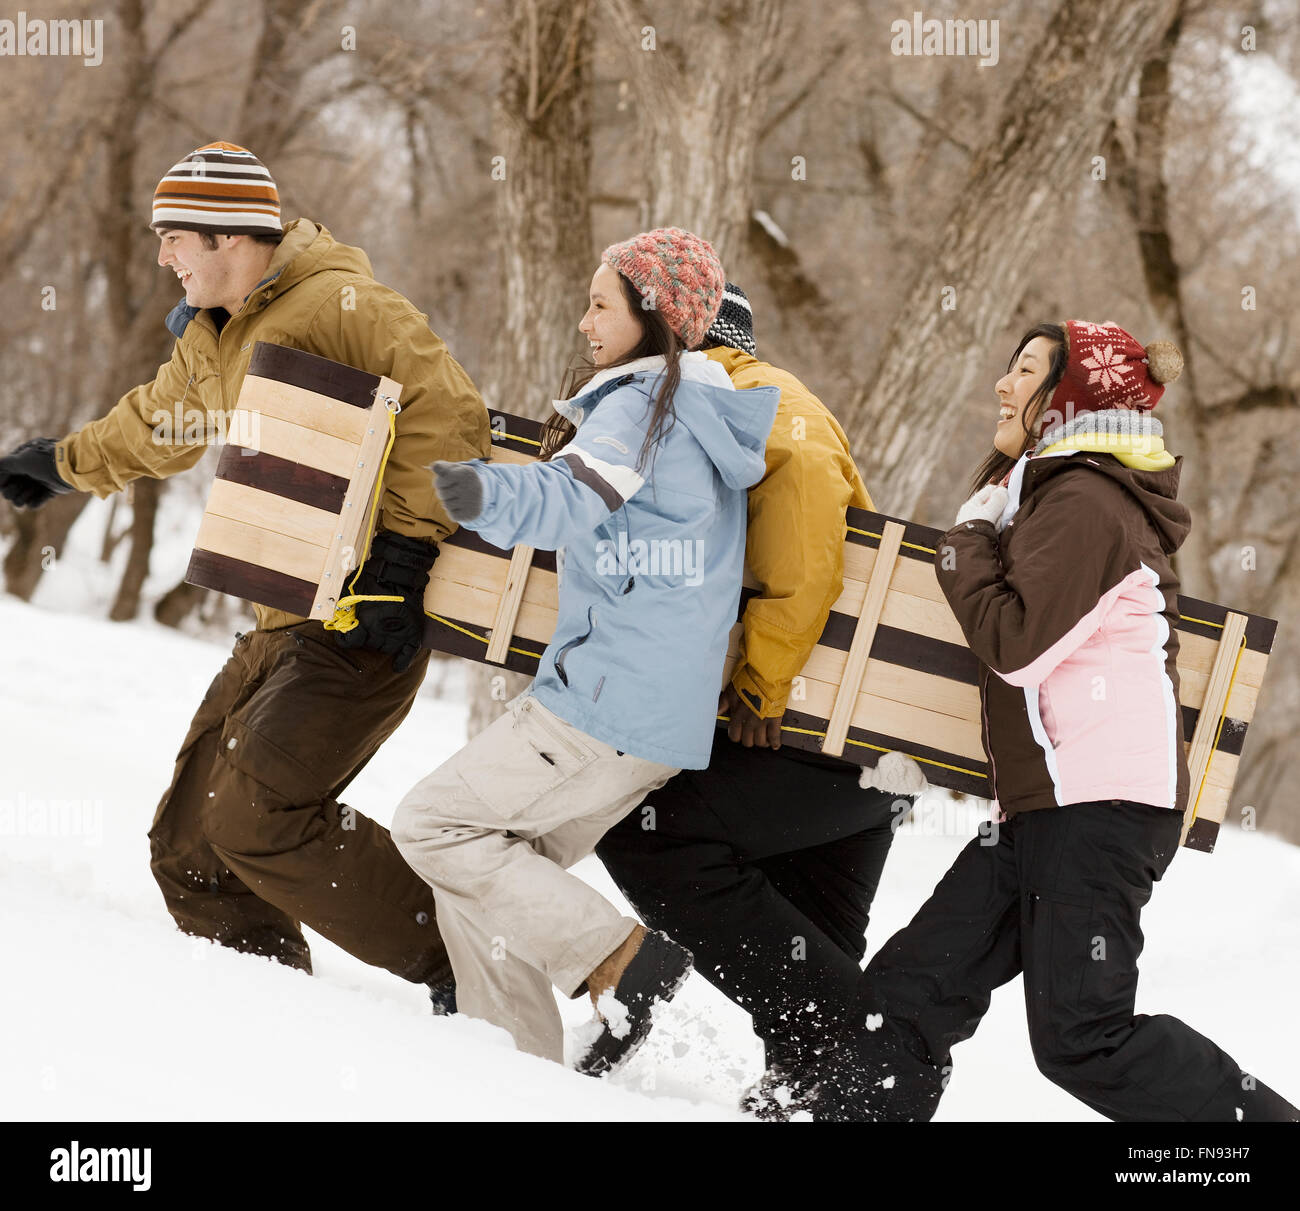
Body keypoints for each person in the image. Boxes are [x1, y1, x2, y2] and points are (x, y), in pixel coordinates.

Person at [0, 142, 491, 1006]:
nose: (161, 257)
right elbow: (161, 423)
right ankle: (275, 1025)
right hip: (280, 618)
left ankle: (473, 964)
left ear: (228, 234)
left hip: (360, 623)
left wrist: (404, 554)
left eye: (172, 236)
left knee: (254, 819)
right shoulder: (217, 334)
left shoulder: (341, 303)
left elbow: (452, 415)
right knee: (190, 851)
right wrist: (59, 463)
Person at [785, 320, 1300, 1122]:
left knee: (1083, 1036)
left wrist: (966, 543)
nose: (1002, 383)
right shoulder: (1067, 494)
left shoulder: (1088, 502)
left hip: (1098, 809)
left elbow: (1017, 644)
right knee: (912, 989)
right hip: (1050, 809)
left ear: (1069, 400)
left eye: (1025, 370)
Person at [390, 230, 781, 1072]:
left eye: (602, 302)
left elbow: (574, 497)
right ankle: (516, 1065)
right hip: (654, 719)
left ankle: (622, 959)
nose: (584, 319)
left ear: (652, 315)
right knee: (493, 863)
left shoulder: (644, 404)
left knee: (433, 824)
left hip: (602, 705)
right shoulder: (701, 413)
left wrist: (483, 489)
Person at [595, 284, 922, 1112]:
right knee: (816, 930)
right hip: (852, 750)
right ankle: (825, 1086)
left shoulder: (761, 403)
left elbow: (810, 549)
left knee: (649, 834)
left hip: (816, 734)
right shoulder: (713, 404)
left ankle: (878, 1062)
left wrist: (760, 684)